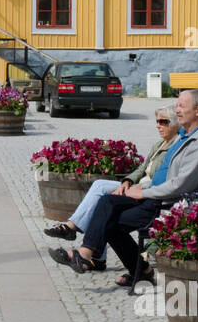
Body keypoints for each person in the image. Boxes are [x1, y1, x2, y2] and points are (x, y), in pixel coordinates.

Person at [51, 89, 198, 284]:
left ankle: (89, 256)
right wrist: (138, 186)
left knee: (109, 217)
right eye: (177, 105)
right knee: (106, 202)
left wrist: (143, 192)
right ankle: (105, 259)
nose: (177, 110)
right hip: (152, 196)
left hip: (166, 204)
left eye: (182, 106)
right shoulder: (184, 135)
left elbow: (179, 186)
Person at [43, 106, 180, 253]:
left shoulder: (175, 147)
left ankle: (81, 239)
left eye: (163, 122)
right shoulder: (159, 145)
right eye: (157, 121)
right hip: (137, 185)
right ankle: (83, 241)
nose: (158, 125)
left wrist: (143, 187)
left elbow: (164, 178)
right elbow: (141, 169)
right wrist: (127, 181)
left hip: (146, 191)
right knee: (99, 186)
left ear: (174, 123)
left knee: (102, 197)